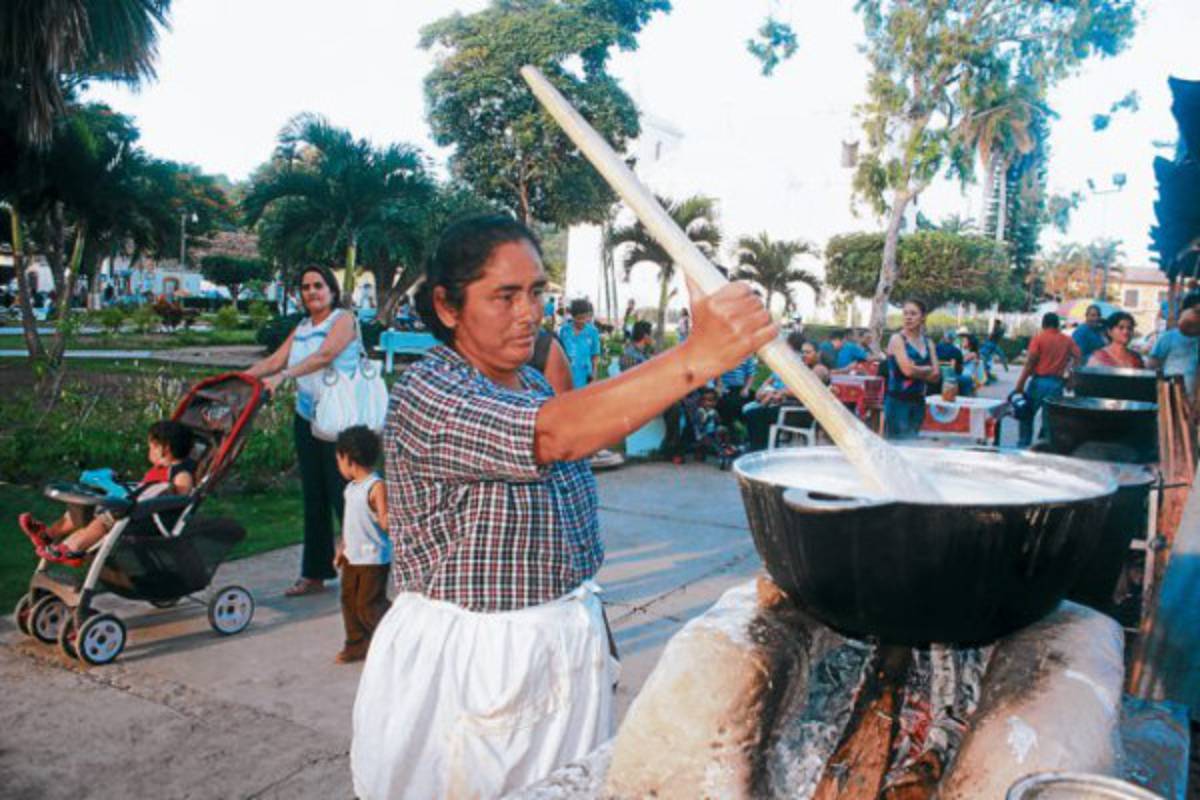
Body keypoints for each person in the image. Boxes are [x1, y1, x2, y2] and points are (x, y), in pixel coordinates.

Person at [350, 215, 775, 798]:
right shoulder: (432, 392)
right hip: (479, 665)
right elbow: (554, 436)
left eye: (535, 293)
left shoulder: (527, 383)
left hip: (557, 645)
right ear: (448, 306)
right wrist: (699, 354)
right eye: (504, 296)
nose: (528, 313)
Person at [246, 265, 360, 597]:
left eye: (318, 286)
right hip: (308, 417)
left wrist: (285, 376)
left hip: (339, 419)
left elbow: (325, 356)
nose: (311, 291)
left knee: (345, 492)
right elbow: (273, 362)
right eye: (306, 287)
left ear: (332, 291)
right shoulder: (302, 327)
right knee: (314, 494)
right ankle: (314, 572)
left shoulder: (343, 320)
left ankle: (364, 569)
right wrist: (237, 381)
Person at [20, 420, 195, 565]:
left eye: (151, 446)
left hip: (147, 518)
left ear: (163, 449)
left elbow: (177, 500)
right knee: (84, 507)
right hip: (134, 508)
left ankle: (74, 549)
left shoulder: (181, 473)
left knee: (104, 519)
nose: (148, 450)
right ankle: (49, 535)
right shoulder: (160, 469)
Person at [332, 426, 391, 665]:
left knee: (369, 604)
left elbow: (386, 518)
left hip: (373, 558)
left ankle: (396, 635)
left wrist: (392, 524)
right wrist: (341, 549)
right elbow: (349, 524)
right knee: (349, 601)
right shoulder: (351, 489)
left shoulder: (376, 486)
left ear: (349, 458)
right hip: (352, 557)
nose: (338, 464)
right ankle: (357, 644)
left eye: (338, 459)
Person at [743, 333, 828, 451]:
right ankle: (762, 449)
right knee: (756, 412)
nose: (804, 355)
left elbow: (805, 392)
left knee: (755, 414)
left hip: (802, 414)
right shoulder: (808, 369)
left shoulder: (819, 369)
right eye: (803, 352)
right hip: (794, 409)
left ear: (818, 353)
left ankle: (759, 450)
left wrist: (779, 394)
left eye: (808, 352)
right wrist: (777, 394)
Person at [1015, 312, 1081, 447]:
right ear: (1057, 324)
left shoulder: (1038, 339)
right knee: (1050, 419)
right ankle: (1045, 445)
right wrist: (1071, 377)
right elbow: (1078, 357)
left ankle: (1023, 444)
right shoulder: (1067, 340)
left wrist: (1020, 383)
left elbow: (1030, 362)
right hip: (1057, 383)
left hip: (1039, 381)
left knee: (1027, 415)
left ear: (1043, 324)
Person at [884, 300, 940, 439]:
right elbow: (907, 371)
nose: (908, 317)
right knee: (897, 447)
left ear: (923, 317)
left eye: (913, 314)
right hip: (897, 403)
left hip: (918, 401)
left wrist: (916, 368)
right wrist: (927, 370)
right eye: (905, 313)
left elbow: (937, 375)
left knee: (913, 443)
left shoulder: (928, 342)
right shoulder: (897, 339)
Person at [1149, 292, 1200, 398]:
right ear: (1185, 313)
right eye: (1197, 312)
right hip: (1172, 397)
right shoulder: (1168, 337)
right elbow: (1153, 366)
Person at [559, 297, 603, 389]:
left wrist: (594, 379)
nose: (582, 321)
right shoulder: (565, 330)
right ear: (572, 316)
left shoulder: (592, 332)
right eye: (579, 318)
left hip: (585, 376)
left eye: (585, 317)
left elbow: (595, 357)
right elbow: (560, 354)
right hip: (568, 375)